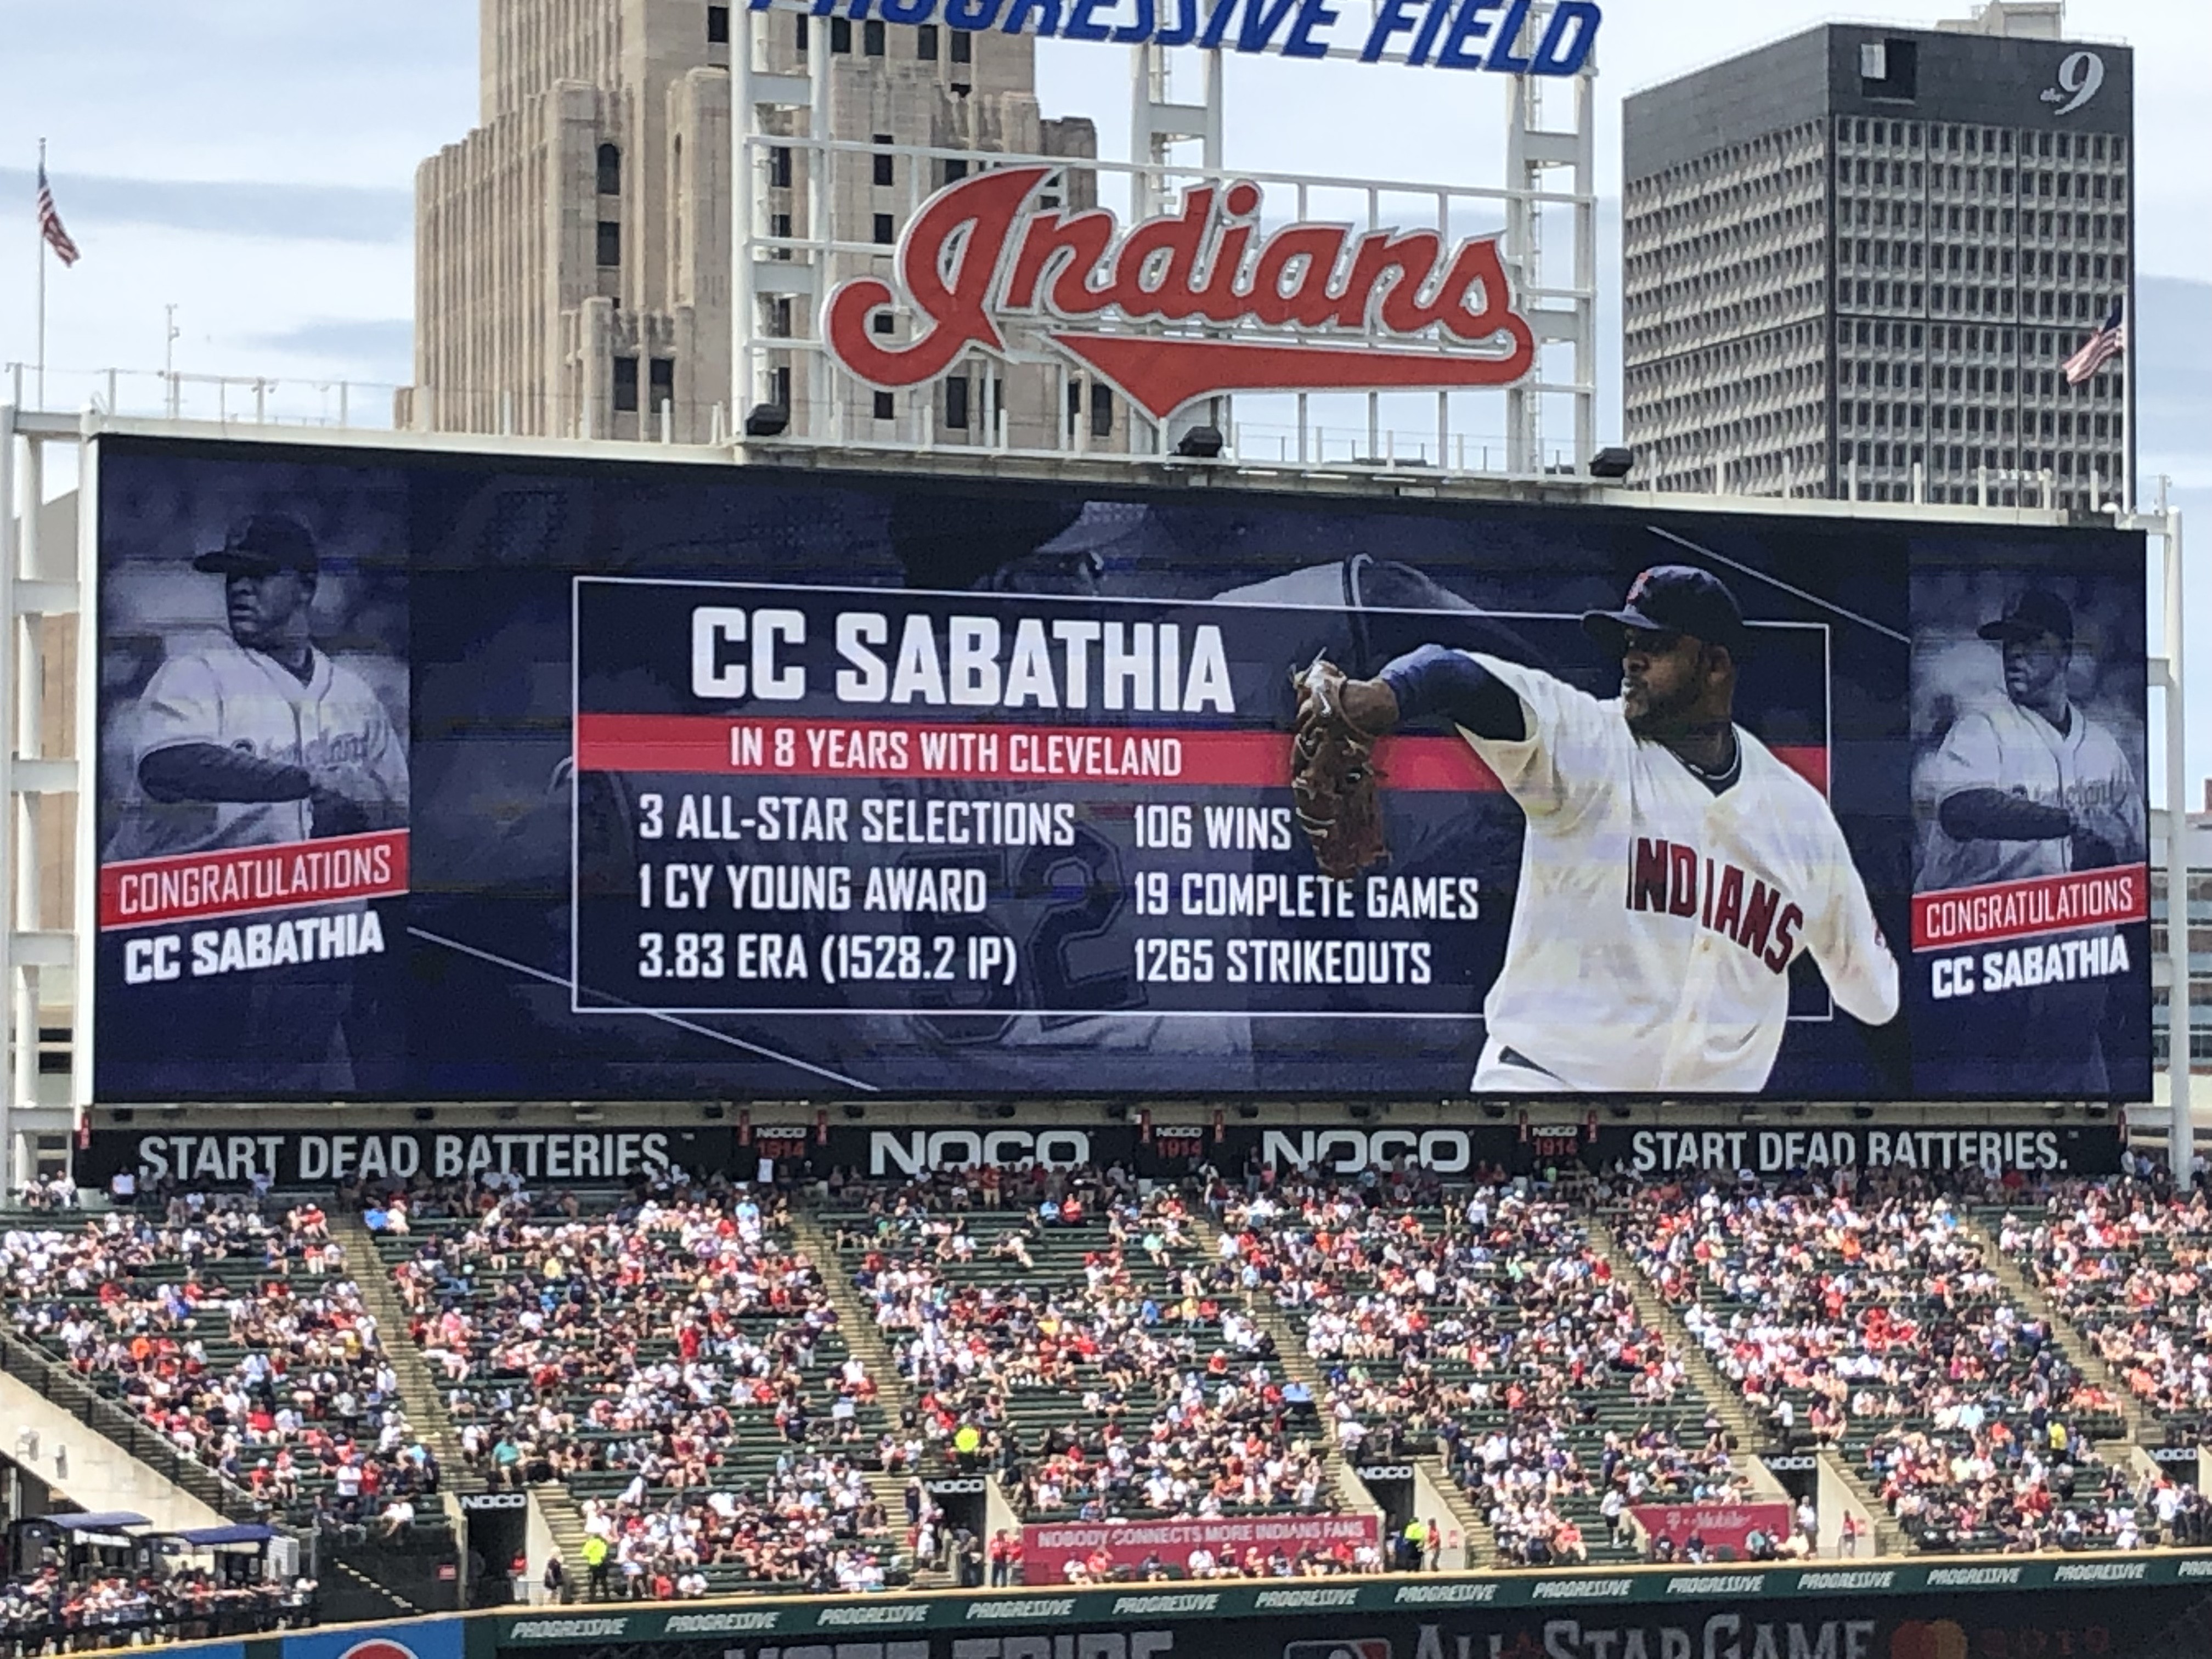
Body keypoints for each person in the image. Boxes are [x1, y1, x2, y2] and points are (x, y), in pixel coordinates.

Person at [1305, 565, 1901, 1092]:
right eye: (1627, 642)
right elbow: (1456, 673)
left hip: (1708, 1149)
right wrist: (1386, 696)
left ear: (1716, 665)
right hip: (1541, 1098)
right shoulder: (1588, 742)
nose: (1631, 658)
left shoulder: (1800, 818)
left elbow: (1874, 997)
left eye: (1656, 644)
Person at [1915, 586, 2145, 1093]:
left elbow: (2135, 863)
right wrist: (2069, 821)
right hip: (1980, 973)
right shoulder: (1982, 728)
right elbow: (1963, 807)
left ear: (2064, 651)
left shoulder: (2105, 749)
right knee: (1969, 1108)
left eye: (2030, 642)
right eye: (2007, 643)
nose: (2014, 653)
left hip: (2074, 991)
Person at [110, 514, 409, 859]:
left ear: (306, 588)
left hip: (316, 910)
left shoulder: (355, 695)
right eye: (234, 576)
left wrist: (365, 810)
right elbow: (169, 766)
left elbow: (401, 816)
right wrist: (306, 781)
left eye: (259, 574)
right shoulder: (196, 673)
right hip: (188, 906)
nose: (240, 587)